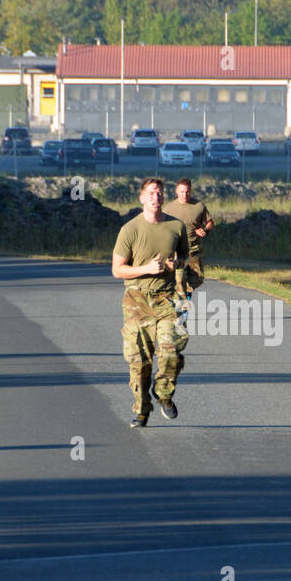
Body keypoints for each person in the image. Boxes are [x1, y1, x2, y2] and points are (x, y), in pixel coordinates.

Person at [112, 177, 190, 428]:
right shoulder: (130, 230)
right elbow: (117, 270)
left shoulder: (176, 227)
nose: (156, 197)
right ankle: (142, 409)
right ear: (142, 198)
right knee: (139, 361)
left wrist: (175, 265)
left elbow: (185, 258)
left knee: (171, 351)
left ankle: (164, 394)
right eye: (151, 193)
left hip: (167, 298)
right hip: (137, 300)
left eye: (159, 193)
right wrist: (146, 268)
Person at [162, 178, 214, 303]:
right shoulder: (169, 209)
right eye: (181, 192)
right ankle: (181, 311)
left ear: (190, 191)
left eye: (187, 192)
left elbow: (210, 222)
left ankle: (183, 304)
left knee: (196, 279)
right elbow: (161, 228)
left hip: (193, 249)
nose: (184, 195)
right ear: (176, 191)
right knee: (179, 281)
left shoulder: (199, 206)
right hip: (177, 251)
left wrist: (205, 230)